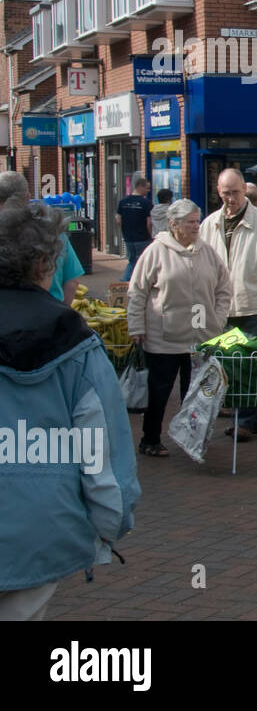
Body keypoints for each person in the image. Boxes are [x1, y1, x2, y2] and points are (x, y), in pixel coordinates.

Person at [0, 196, 139, 620]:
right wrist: (109, 527)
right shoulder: (77, 343)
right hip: (38, 532)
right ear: (45, 265)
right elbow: (102, 457)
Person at [127, 199, 232, 458]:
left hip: (201, 338)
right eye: (191, 222)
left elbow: (224, 289)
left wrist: (217, 321)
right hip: (164, 338)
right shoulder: (155, 251)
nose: (197, 226)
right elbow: (137, 291)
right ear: (174, 225)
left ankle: (192, 440)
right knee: (159, 392)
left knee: (196, 394)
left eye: (198, 221)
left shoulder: (207, 251)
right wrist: (136, 326)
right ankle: (150, 439)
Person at [200, 168, 257, 440]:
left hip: (253, 305)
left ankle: (245, 421)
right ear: (219, 192)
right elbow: (201, 267)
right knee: (230, 365)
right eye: (226, 193)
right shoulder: (210, 223)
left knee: (249, 365)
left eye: (236, 193)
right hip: (221, 308)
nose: (231, 198)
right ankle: (255, 419)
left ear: (244, 191)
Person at [0, 171, 81, 302]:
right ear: (28, 197)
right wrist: (61, 312)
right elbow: (72, 281)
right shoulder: (51, 232)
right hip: (49, 311)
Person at [116, 173, 153, 282]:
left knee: (132, 260)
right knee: (144, 261)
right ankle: (137, 282)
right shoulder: (146, 203)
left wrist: (124, 232)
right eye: (147, 188)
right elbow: (149, 223)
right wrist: (150, 236)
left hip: (128, 238)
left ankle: (126, 280)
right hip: (142, 238)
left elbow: (118, 220)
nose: (148, 190)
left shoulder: (122, 202)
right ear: (140, 187)